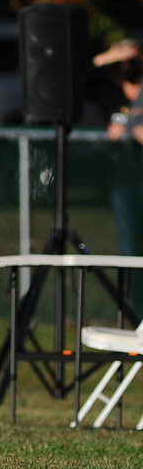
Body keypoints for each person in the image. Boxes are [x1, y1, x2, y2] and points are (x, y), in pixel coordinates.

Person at [93, 38, 143, 317]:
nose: (126, 64)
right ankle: (138, 313)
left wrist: (129, 130)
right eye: (121, 61)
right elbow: (77, 79)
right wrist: (108, 55)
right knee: (131, 249)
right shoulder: (110, 93)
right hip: (124, 182)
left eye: (132, 58)